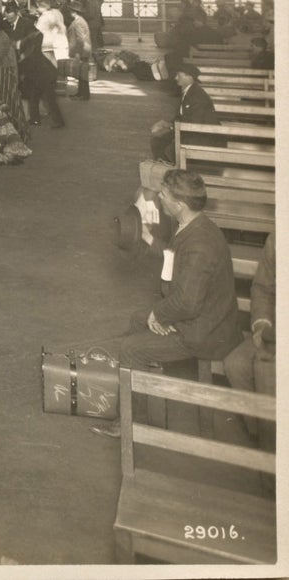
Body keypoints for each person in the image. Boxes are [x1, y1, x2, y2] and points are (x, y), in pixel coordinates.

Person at [94, 171, 242, 437]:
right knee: (137, 320)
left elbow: (187, 303)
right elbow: (175, 257)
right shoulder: (193, 225)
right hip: (202, 318)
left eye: (164, 195)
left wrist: (159, 315)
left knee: (130, 349)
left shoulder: (200, 246)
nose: (160, 198)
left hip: (205, 332)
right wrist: (149, 239)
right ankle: (140, 392)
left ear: (179, 204)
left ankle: (131, 422)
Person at [222, 233, 275, 450]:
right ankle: (264, 439)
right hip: (274, 328)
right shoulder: (278, 237)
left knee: (266, 368)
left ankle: (273, 446)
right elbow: (262, 288)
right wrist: (262, 324)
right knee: (236, 364)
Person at [149, 63, 217, 163]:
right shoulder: (189, 91)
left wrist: (171, 128)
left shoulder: (197, 96)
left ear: (189, 77)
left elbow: (194, 124)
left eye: (178, 75)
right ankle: (166, 166)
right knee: (157, 141)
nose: (176, 78)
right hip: (192, 132)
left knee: (168, 148)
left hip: (203, 137)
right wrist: (166, 124)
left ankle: (173, 168)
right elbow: (181, 116)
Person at [0, 11, 26, 135]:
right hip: (8, 70)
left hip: (5, 71)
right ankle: (18, 131)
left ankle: (15, 132)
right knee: (12, 101)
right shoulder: (4, 33)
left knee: (8, 101)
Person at [18, 26, 64, 128]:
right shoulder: (34, 47)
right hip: (44, 75)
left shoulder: (31, 53)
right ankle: (35, 120)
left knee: (49, 99)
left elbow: (26, 64)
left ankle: (58, 121)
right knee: (35, 97)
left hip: (45, 76)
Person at [64, 5, 92, 101]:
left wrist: (78, 52)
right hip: (84, 50)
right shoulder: (80, 21)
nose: (69, 13)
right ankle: (81, 93)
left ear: (74, 12)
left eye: (71, 11)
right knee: (81, 73)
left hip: (81, 51)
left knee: (82, 73)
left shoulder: (78, 22)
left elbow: (80, 39)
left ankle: (84, 95)